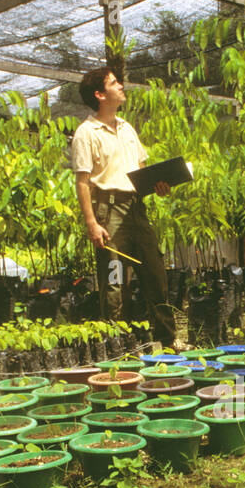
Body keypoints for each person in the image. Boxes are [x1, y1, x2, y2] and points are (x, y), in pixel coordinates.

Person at [71, 65, 176, 347]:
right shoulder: (87, 132)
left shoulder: (127, 129)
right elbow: (83, 182)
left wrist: (158, 186)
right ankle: (118, 349)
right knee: (115, 282)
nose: (121, 86)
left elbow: (141, 170)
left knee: (155, 274)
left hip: (136, 208)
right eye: (114, 83)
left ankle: (167, 343)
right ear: (99, 94)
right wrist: (92, 223)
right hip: (109, 211)